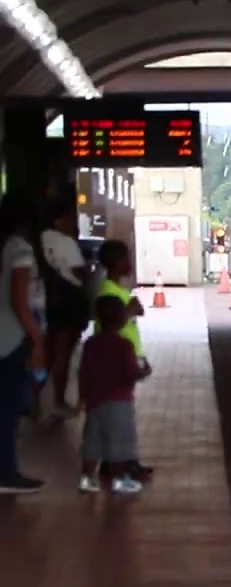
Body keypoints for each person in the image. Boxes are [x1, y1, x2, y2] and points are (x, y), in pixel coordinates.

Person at [78, 295, 149, 494]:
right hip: (119, 402)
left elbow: (83, 372)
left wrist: (83, 396)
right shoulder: (124, 345)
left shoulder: (91, 344)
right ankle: (120, 481)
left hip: (95, 402)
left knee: (92, 443)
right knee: (119, 445)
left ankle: (86, 479)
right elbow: (130, 373)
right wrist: (144, 371)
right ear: (122, 318)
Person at [94, 240, 152, 480]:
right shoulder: (108, 291)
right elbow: (112, 323)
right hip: (114, 360)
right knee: (118, 415)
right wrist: (130, 310)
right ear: (117, 263)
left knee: (122, 414)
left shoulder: (117, 289)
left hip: (124, 356)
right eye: (126, 258)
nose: (130, 263)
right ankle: (119, 463)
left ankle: (120, 461)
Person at [0, 200, 46, 493]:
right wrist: (37, 338)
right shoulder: (20, 249)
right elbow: (20, 302)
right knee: (9, 407)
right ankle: (6, 473)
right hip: (13, 336)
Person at [36, 202, 91, 417]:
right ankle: (58, 400)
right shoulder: (66, 242)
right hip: (69, 300)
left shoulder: (41, 239)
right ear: (57, 220)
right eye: (69, 218)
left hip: (48, 299)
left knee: (48, 353)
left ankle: (34, 400)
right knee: (63, 353)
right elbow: (79, 272)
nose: (73, 223)